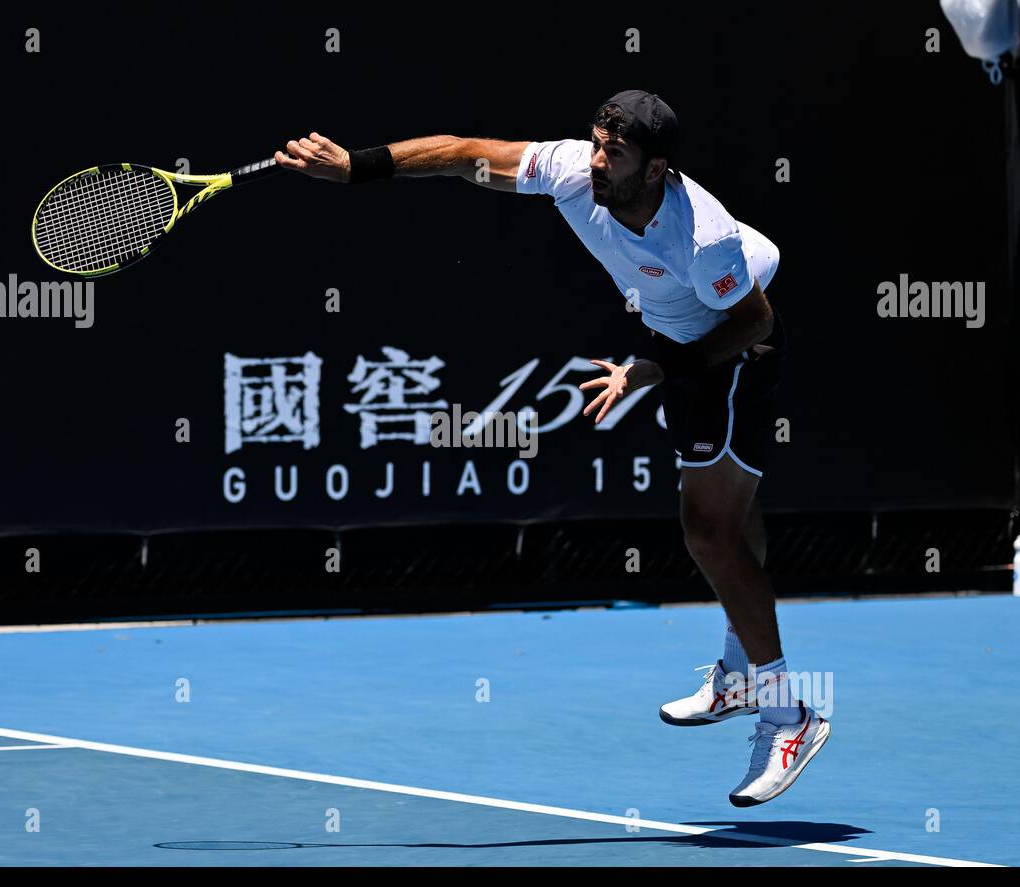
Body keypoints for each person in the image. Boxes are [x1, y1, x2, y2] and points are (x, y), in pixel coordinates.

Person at [272, 90, 829, 806]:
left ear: (656, 169)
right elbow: (464, 153)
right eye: (596, 143)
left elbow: (754, 322)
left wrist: (654, 370)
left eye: (615, 153)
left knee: (708, 532)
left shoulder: (702, 239)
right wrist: (358, 166)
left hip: (730, 350)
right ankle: (740, 674)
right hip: (680, 339)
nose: (597, 161)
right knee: (728, 516)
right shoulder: (572, 172)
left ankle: (790, 712)